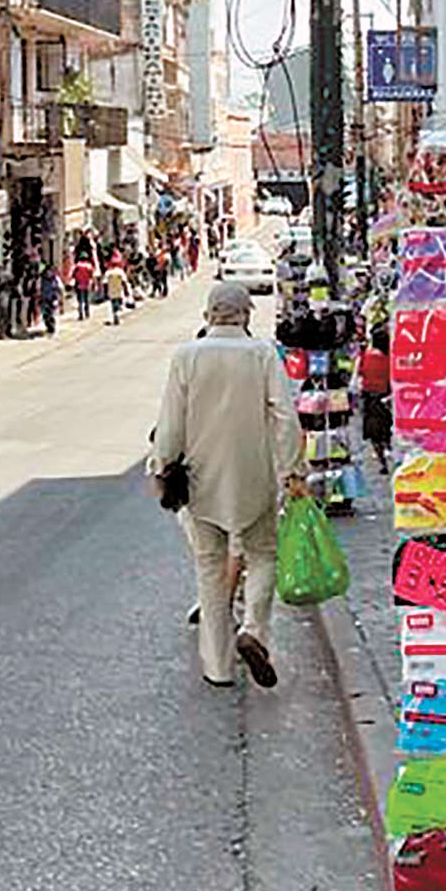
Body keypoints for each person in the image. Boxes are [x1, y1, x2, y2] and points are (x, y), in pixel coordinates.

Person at [150, 282, 305, 688]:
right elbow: (286, 417)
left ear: (208, 315)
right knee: (263, 555)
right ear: (246, 315)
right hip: (255, 476)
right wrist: (292, 470)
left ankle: (217, 667)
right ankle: (253, 630)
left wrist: (163, 466)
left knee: (210, 570)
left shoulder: (186, 356)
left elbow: (170, 423)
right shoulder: (262, 354)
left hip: (201, 482)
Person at [357, 322, 393, 468]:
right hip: (386, 397)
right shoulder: (390, 359)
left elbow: (361, 373)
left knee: (374, 433)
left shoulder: (366, 356)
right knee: (386, 429)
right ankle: (389, 451)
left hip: (370, 398)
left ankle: (381, 460)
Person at [104, 258, 131, 325]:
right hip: (119, 290)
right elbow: (124, 282)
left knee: (113, 303)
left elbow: (105, 283)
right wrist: (126, 290)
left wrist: (105, 292)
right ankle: (116, 315)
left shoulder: (108, 272)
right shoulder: (120, 272)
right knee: (118, 303)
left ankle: (115, 315)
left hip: (111, 290)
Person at [70, 254, 97, 321]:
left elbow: (72, 275)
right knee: (86, 299)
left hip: (78, 284)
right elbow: (92, 276)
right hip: (86, 285)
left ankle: (80, 314)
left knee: (80, 301)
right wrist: (94, 284)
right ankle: (87, 313)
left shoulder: (76, 266)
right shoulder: (89, 266)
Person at [39, 266, 62, 336]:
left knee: (52, 314)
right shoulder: (42, 280)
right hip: (46, 299)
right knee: (46, 314)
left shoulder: (54, 279)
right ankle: (50, 328)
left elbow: (60, 288)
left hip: (52, 298)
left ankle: (53, 328)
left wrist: (60, 297)